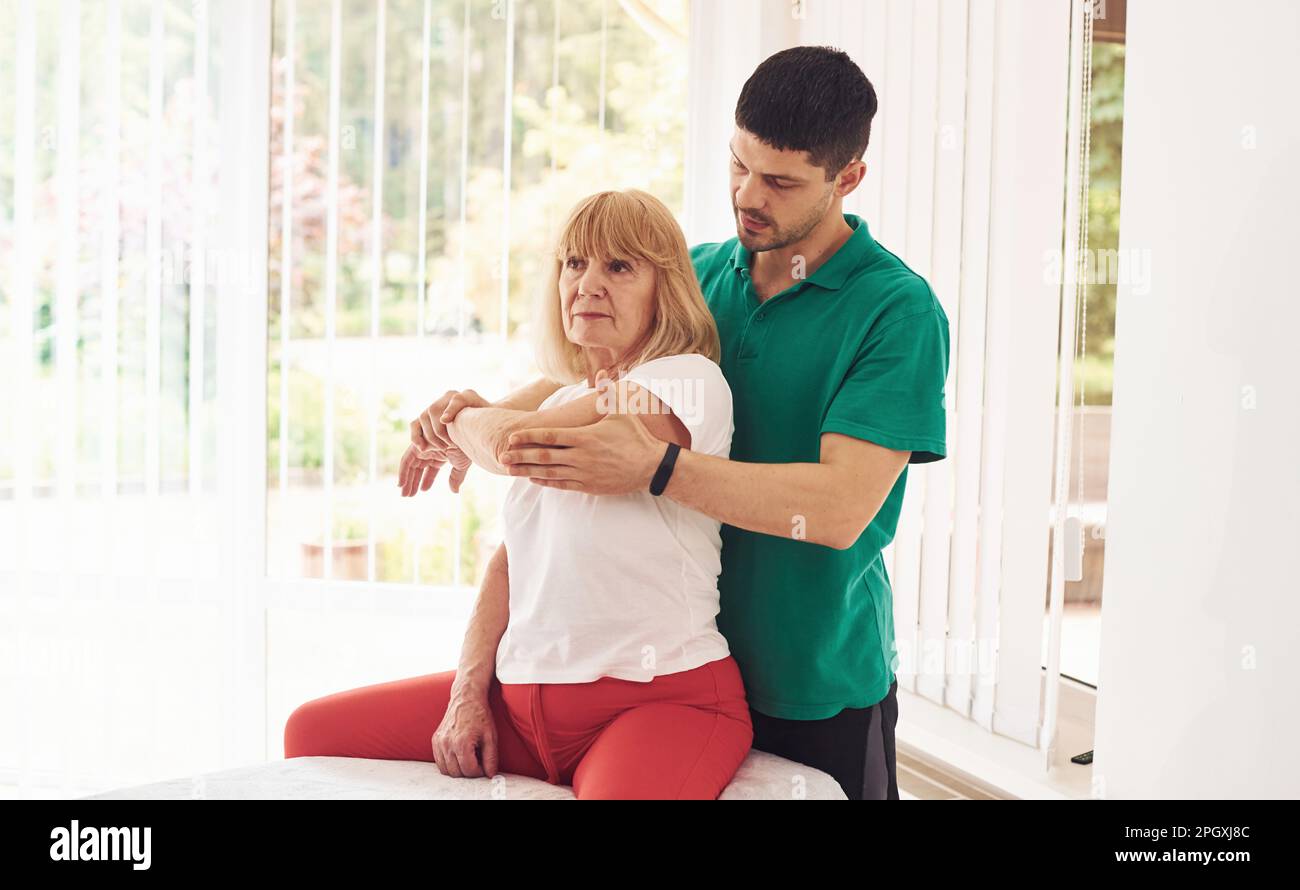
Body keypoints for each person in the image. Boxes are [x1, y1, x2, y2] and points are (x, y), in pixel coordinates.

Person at [409, 46, 951, 800]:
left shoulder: (894, 311)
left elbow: (836, 510)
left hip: (810, 677)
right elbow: (562, 390)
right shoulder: (691, 275)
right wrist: (465, 414)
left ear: (848, 179)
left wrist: (658, 468)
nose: (746, 196)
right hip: (658, 674)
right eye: (739, 165)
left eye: (781, 182)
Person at [285, 189, 753, 800]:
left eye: (619, 266)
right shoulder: (562, 396)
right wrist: (466, 695)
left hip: (659, 701)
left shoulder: (686, 382)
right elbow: (513, 561)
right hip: (521, 703)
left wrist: (459, 418)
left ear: (664, 289)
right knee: (311, 731)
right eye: (573, 263)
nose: (587, 284)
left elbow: (514, 447)